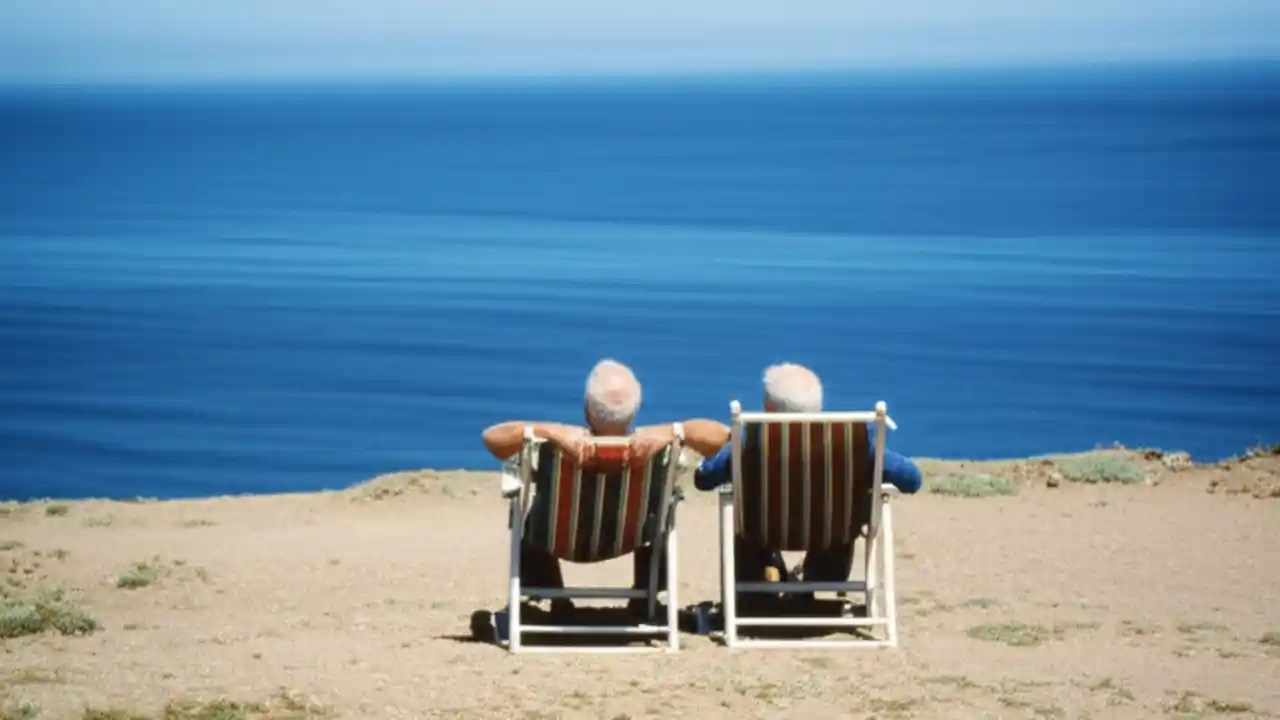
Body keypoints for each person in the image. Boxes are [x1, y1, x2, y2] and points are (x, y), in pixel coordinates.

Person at [481, 358, 726, 615]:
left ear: (587, 411)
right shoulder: (654, 448)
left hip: (558, 539)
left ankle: (552, 598)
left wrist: (549, 431)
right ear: (636, 409)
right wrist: (674, 431)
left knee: (533, 514)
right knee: (660, 511)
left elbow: (491, 437)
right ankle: (647, 596)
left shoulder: (555, 450)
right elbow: (723, 437)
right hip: (631, 538)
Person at [693, 363, 922, 590]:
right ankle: (821, 581)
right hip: (833, 534)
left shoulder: (749, 439)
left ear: (768, 407)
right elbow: (912, 480)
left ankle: (759, 583)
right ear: (818, 406)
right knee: (842, 507)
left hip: (762, 531)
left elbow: (704, 479)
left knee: (748, 511)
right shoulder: (853, 441)